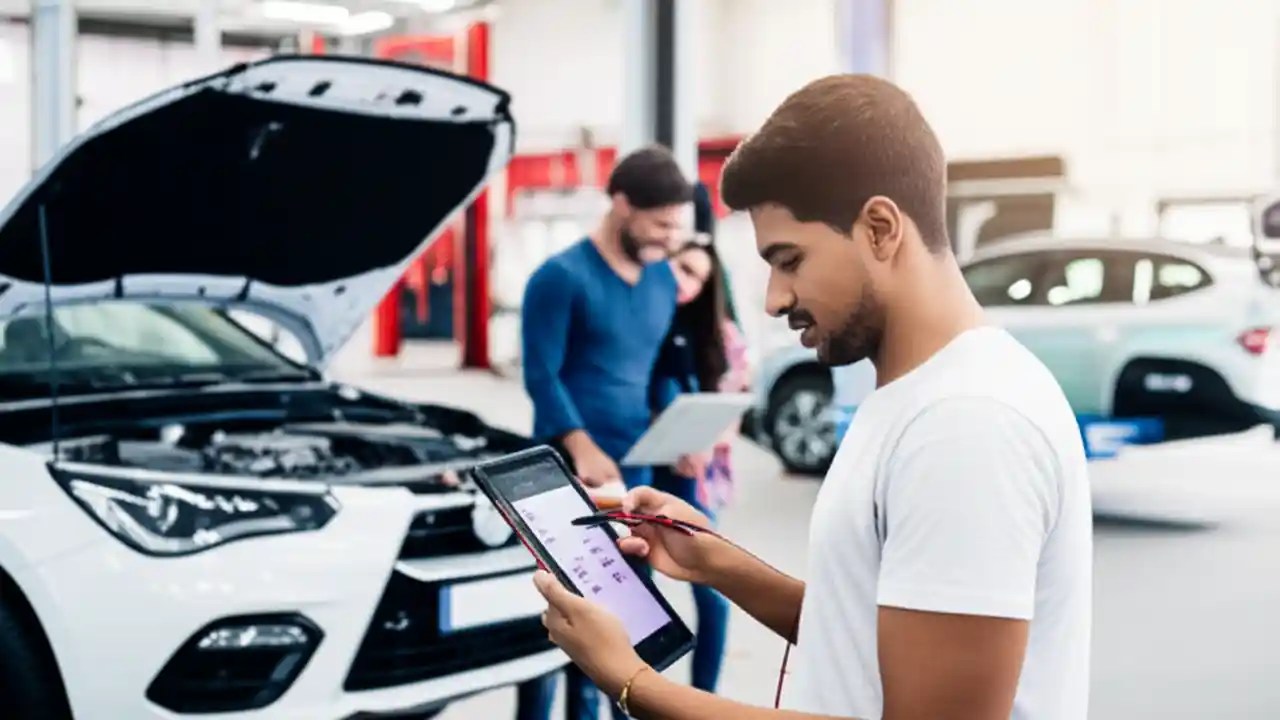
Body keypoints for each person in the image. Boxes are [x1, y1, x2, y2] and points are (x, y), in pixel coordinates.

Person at [530, 74, 1093, 720]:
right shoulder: (921, 394)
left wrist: (632, 682)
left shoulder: (966, 425)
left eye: (789, 260)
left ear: (881, 228)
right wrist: (717, 561)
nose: (773, 299)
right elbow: (864, 632)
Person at [514, 145, 694, 720]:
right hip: (565, 477)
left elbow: (660, 369)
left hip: (635, 473)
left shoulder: (663, 280)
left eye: (675, 225)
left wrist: (682, 430)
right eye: (659, 223)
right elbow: (540, 374)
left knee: (628, 620)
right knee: (562, 625)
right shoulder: (559, 277)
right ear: (620, 203)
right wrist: (581, 444)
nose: (669, 237)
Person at [646, 238, 748, 695]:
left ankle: (703, 698)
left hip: (691, 478)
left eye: (698, 278)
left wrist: (702, 440)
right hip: (641, 470)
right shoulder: (643, 318)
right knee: (637, 597)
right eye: (681, 269)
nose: (686, 284)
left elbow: (733, 402)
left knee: (714, 595)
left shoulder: (718, 334)